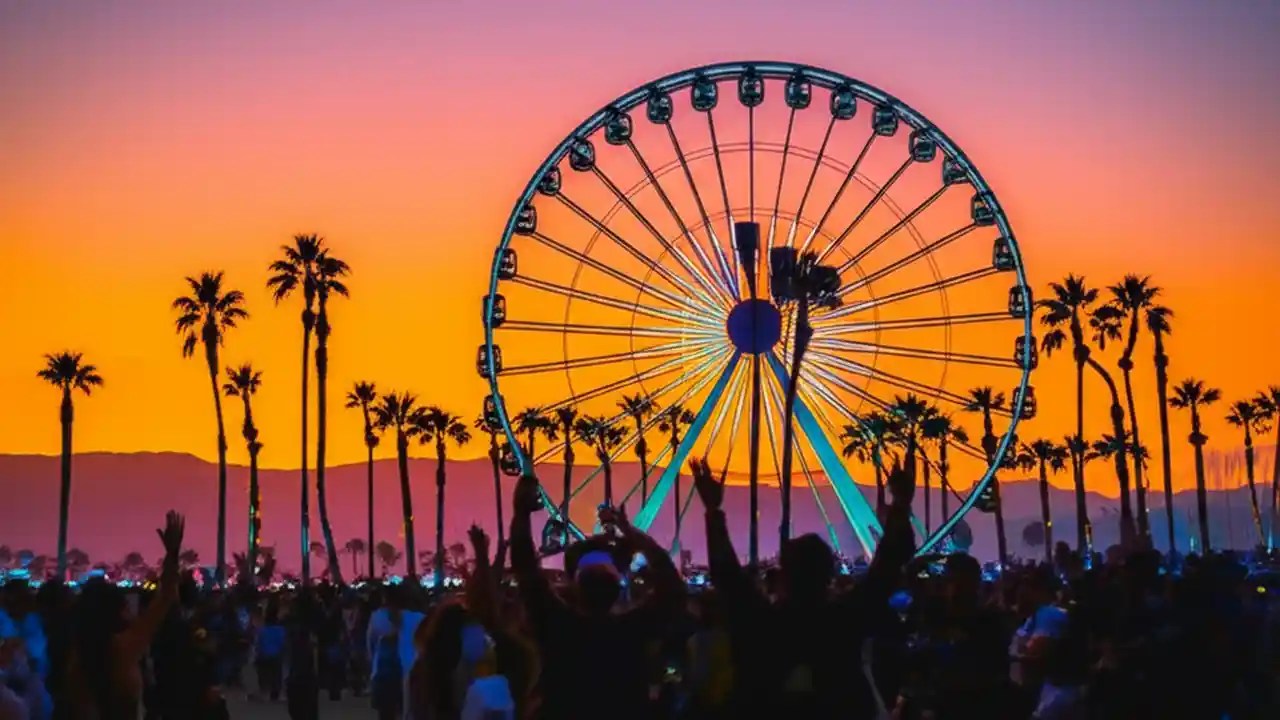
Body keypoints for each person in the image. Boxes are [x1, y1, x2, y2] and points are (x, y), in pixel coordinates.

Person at [691, 456, 915, 718]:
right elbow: (884, 573)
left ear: (783, 575)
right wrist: (900, 504)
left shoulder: (764, 623)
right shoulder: (843, 621)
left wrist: (713, 510)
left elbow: (728, 577)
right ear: (829, 575)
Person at [510, 471, 685, 720]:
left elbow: (525, 569)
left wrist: (521, 513)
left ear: (574, 587)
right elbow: (672, 588)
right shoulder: (631, 630)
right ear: (618, 587)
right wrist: (633, 535)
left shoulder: (559, 627)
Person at [63, 511, 188, 719]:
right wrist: (172, 553)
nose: (132, 610)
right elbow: (166, 596)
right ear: (116, 611)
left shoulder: (76, 657)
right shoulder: (125, 647)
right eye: (126, 606)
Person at [367, 586, 424, 720]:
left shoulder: (377, 617)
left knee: (386, 714)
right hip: (410, 670)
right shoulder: (418, 618)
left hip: (384, 672)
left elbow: (370, 643)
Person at [254, 599, 285, 702]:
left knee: (264, 673)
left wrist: (258, 653)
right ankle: (275, 691)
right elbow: (283, 644)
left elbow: (259, 643)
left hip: (264, 654)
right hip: (276, 655)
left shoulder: (263, 630)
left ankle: (265, 691)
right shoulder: (281, 630)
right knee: (276, 674)